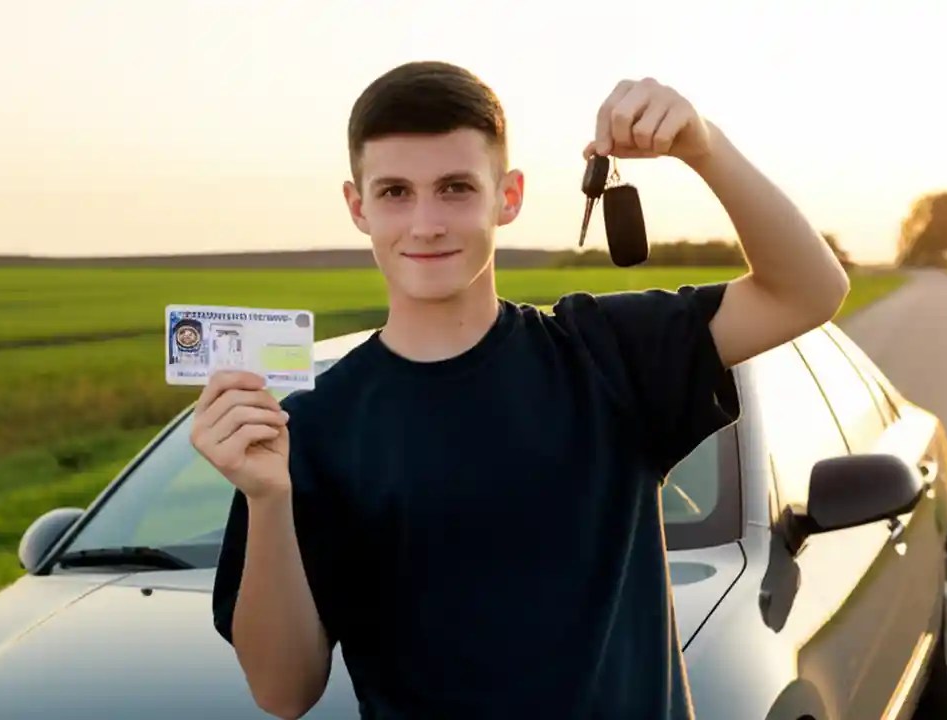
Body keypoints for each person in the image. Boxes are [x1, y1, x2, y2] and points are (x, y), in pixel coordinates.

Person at [191, 60, 849, 720]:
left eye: (455, 188)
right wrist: (267, 499)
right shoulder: (310, 428)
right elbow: (284, 693)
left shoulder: (606, 355)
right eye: (395, 192)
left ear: (508, 196)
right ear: (357, 206)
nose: (426, 223)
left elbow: (810, 292)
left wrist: (703, 146)